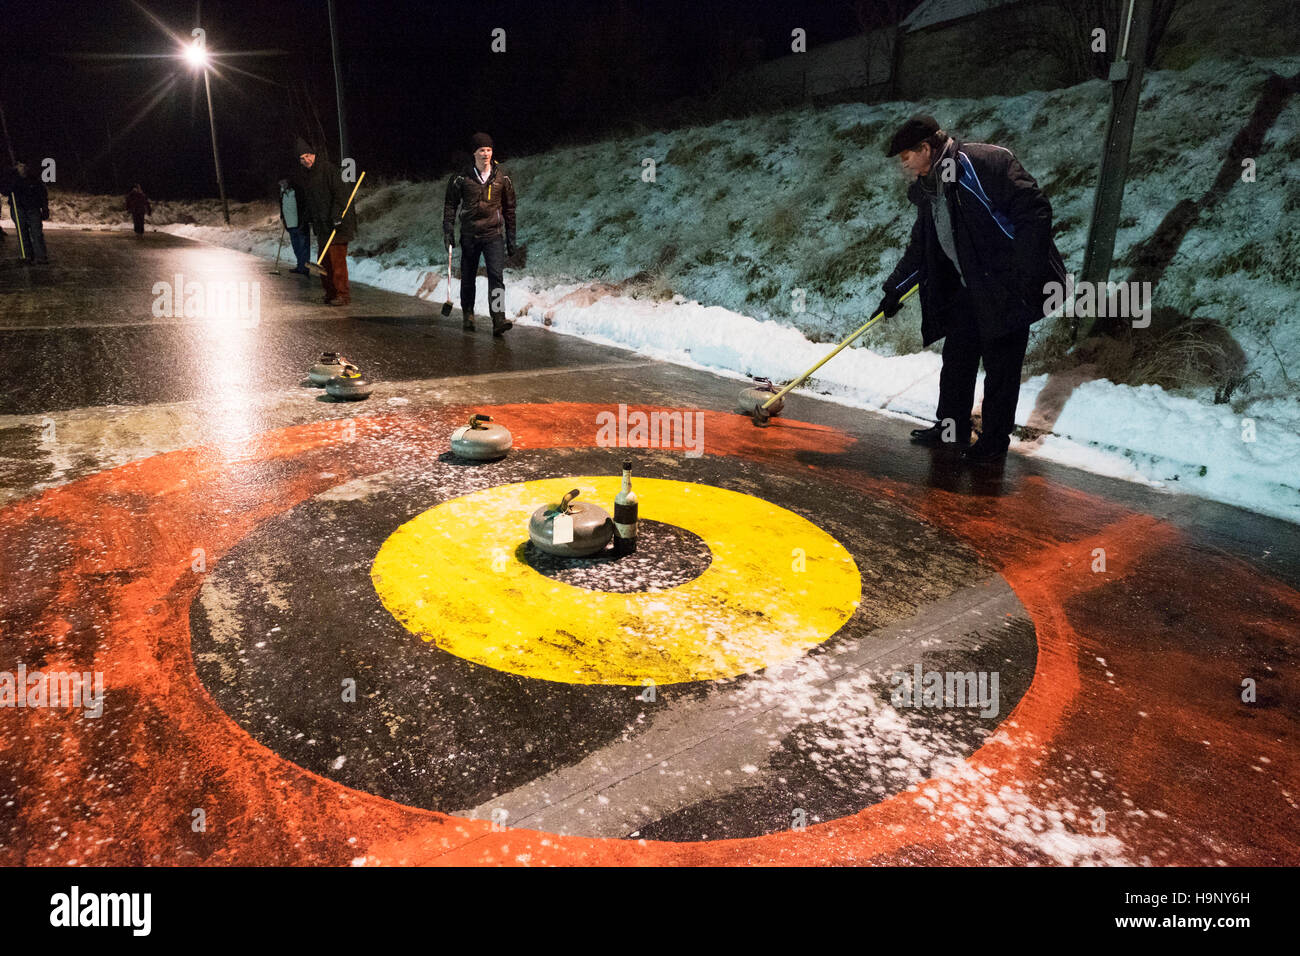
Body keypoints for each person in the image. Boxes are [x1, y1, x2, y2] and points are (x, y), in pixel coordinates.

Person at [877, 114, 1065, 463]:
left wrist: (1023, 277)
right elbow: (922, 246)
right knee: (958, 359)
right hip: (971, 286)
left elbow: (1034, 212)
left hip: (1007, 286)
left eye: (906, 156)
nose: (903, 165)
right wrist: (894, 291)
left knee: (1001, 369)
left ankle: (994, 444)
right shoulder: (930, 188)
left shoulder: (984, 163)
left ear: (926, 148)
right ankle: (952, 428)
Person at [442, 132, 516, 335]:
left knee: (496, 276)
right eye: (482, 150)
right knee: (468, 278)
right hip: (470, 235)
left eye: (489, 150)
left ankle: (499, 318)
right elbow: (450, 205)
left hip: (493, 235)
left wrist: (511, 237)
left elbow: (510, 208)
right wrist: (448, 230)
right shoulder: (461, 177)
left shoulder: (502, 176)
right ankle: (468, 314)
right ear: (474, 153)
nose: (486, 154)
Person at [293, 137, 357, 306]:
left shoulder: (328, 169)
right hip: (322, 227)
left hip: (337, 225)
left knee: (337, 262)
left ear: (313, 154)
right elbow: (311, 201)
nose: (306, 160)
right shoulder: (307, 176)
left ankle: (343, 295)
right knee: (323, 262)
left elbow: (341, 195)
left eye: (308, 155)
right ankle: (330, 293)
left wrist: (337, 216)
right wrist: (305, 220)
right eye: (302, 158)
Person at [9, 161, 50, 264]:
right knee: (22, 232)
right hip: (18, 208)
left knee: (36, 233)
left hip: (33, 208)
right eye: (19, 166)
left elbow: (43, 194)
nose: (21, 168)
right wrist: (11, 179)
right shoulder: (12, 179)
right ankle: (26, 255)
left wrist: (45, 208)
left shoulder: (34, 179)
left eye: (23, 165)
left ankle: (41, 256)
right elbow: (5, 190)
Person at [278, 177, 310, 274]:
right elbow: (282, 205)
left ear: (288, 181)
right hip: (290, 224)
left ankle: (304, 267)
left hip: (300, 224)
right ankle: (300, 265)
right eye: (280, 183)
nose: (281, 184)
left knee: (303, 246)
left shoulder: (298, 190)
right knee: (296, 246)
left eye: (283, 182)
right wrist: (283, 217)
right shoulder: (282, 192)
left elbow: (304, 206)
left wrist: (304, 220)